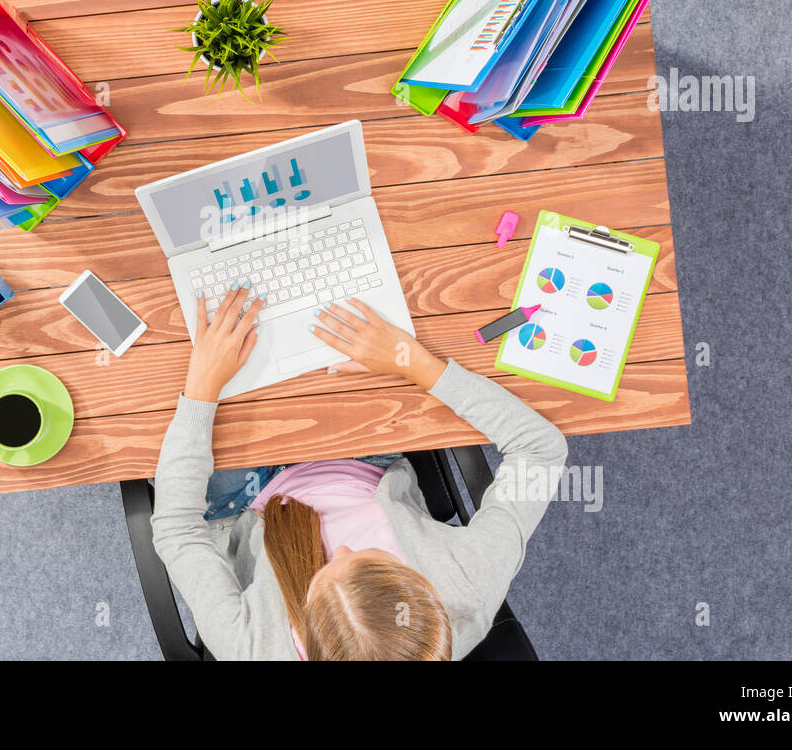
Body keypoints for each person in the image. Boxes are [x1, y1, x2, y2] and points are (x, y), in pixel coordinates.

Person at [151, 282, 569, 660]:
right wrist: (418, 364)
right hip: (365, 461)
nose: (343, 548)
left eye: (327, 569)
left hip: (247, 501)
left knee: (163, 368)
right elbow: (540, 449)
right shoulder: (468, 585)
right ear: (423, 591)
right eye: (375, 559)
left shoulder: (252, 649)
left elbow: (177, 528)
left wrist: (202, 390)